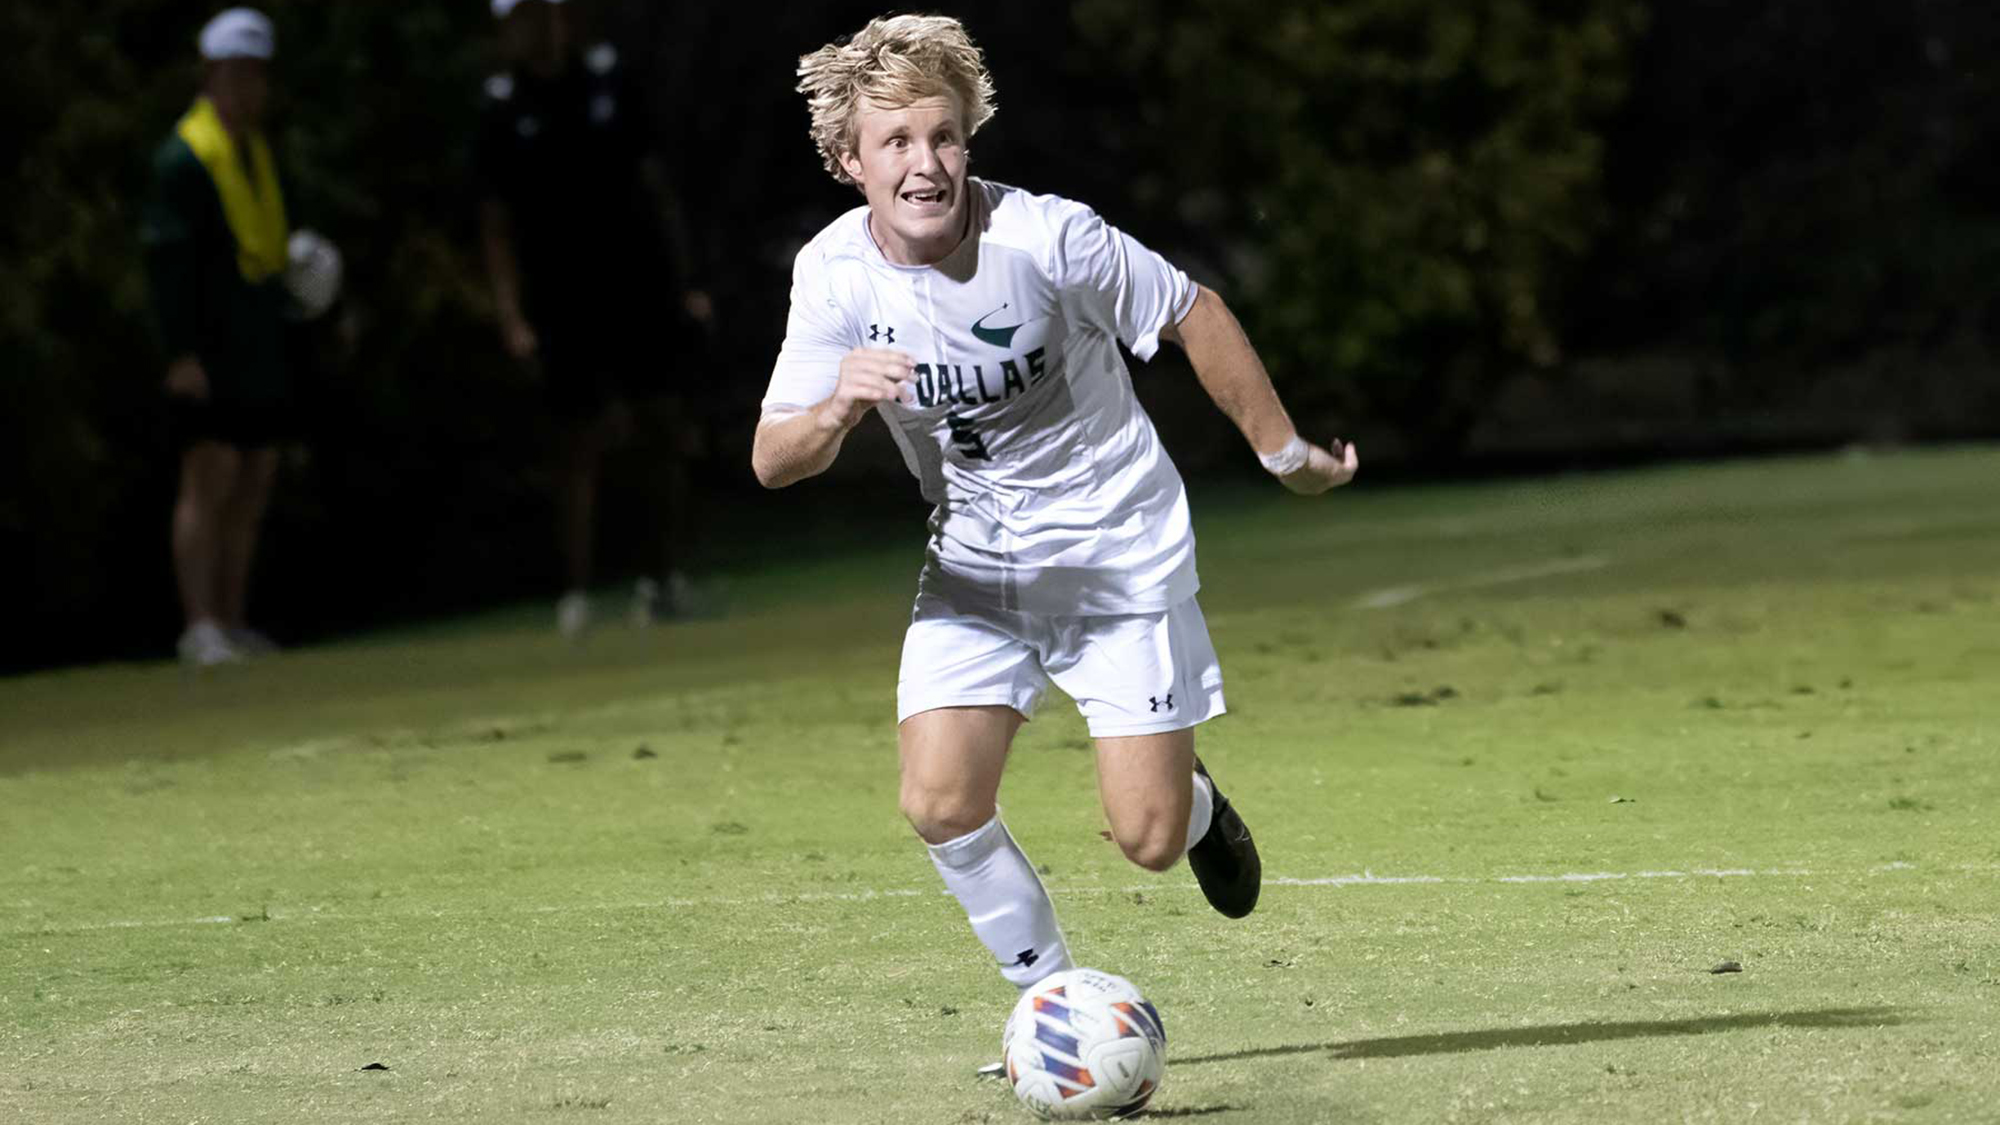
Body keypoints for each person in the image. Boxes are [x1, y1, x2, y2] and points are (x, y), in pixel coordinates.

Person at [757, 15, 1359, 995]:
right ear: (846, 159)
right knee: (939, 800)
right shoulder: (829, 275)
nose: (924, 163)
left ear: (968, 138)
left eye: (942, 134)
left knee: (1149, 840)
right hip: (976, 565)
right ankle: (1051, 1007)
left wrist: (1281, 451)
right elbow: (772, 460)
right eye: (895, 142)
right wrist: (834, 408)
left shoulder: (1048, 238)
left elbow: (1192, 311)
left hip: (1115, 548)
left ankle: (1192, 802)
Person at [477, 0, 713, 639]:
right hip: (560, 299)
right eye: (523, 17)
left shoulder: (611, 80)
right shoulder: (501, 106)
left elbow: (655, 187)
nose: (539, 27)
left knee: (659, 427)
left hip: (636, 286)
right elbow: (495, 225)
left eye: (546, 13)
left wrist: (683, 281)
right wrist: (511, 316)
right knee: (575, 442)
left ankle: (660, 578)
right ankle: (576, 592)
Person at [140, 8, 298, 666]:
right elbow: (166, 260)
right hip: (208, 348)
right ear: (211, 73)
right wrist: (180, 352)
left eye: (258, 75)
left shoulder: (256, 150)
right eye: (238, 73)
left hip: (258, 342)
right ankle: (199, 624)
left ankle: (232, 619)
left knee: (254, 474)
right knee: (208, 477)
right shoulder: (183, 157)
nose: (250, 87)